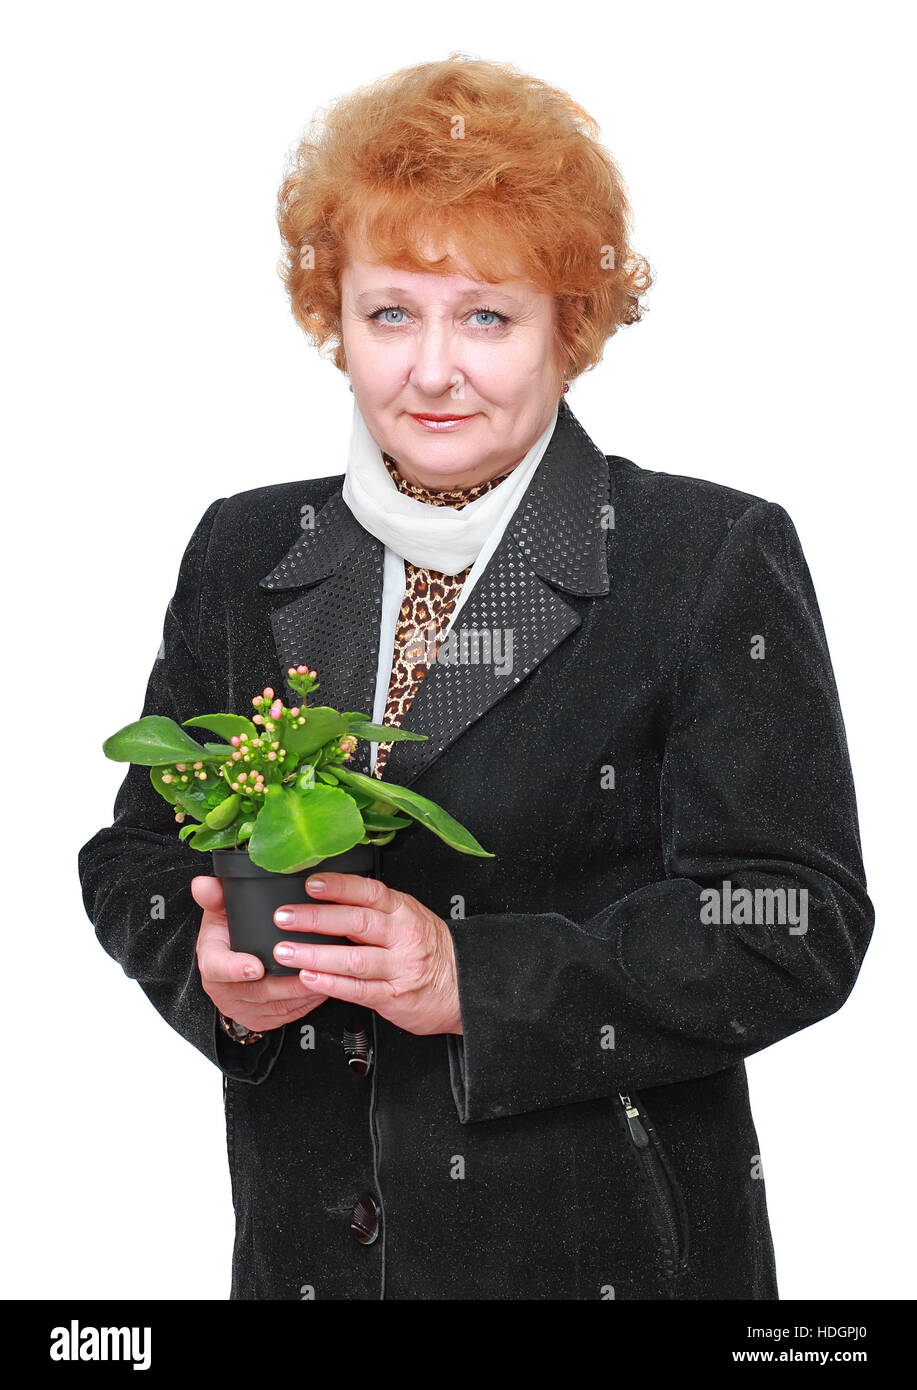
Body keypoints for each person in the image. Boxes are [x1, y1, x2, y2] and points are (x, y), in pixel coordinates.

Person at [78, 54, 874, 1301]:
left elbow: (793, 918)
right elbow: (133, 855)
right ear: (331, 319)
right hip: (307, 1264)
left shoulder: (705, 555)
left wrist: (475, 982)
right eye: (390, 312)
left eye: (485, 316)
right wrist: (221, 978)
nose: (431, 368)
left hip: (602, 1257)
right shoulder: (245, 547)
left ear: (569, 322)